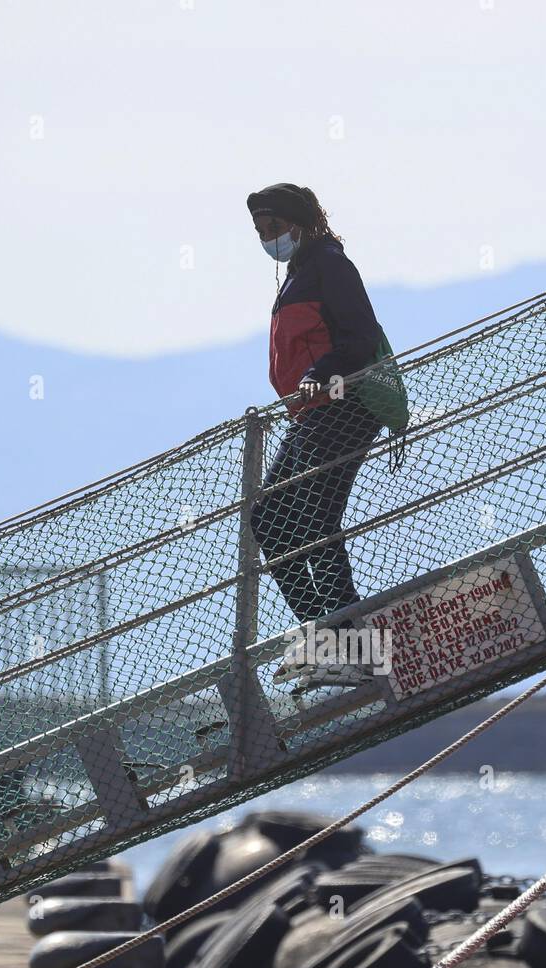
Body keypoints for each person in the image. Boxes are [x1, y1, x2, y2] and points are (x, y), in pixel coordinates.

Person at [246, 183, 384, 681]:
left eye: (274, 228)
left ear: (299, 224)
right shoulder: (297, 273)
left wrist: (317, 373)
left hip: (342, 407)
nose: (268, 239)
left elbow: (360, 335)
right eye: (260, 231)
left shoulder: (329, 263)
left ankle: (358, 650)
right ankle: (323, 636)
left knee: (316, 520)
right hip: (311, 415)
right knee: (270, 519)